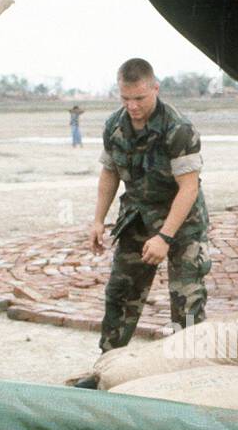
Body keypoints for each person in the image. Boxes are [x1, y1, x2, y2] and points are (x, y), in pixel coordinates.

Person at [87, 58, 211, 354]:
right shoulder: (114, 126)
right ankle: (109, 363)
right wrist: (97, 220)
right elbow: (109, 173)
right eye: (125, 98)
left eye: (140, 98)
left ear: (156, 88)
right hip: (137, 218)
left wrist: (165, 237)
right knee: (120, 292)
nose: (132, 106)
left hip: (181, 224)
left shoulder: (178, 129)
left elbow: (189, 187)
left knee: (187, 300)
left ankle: (190, 368)